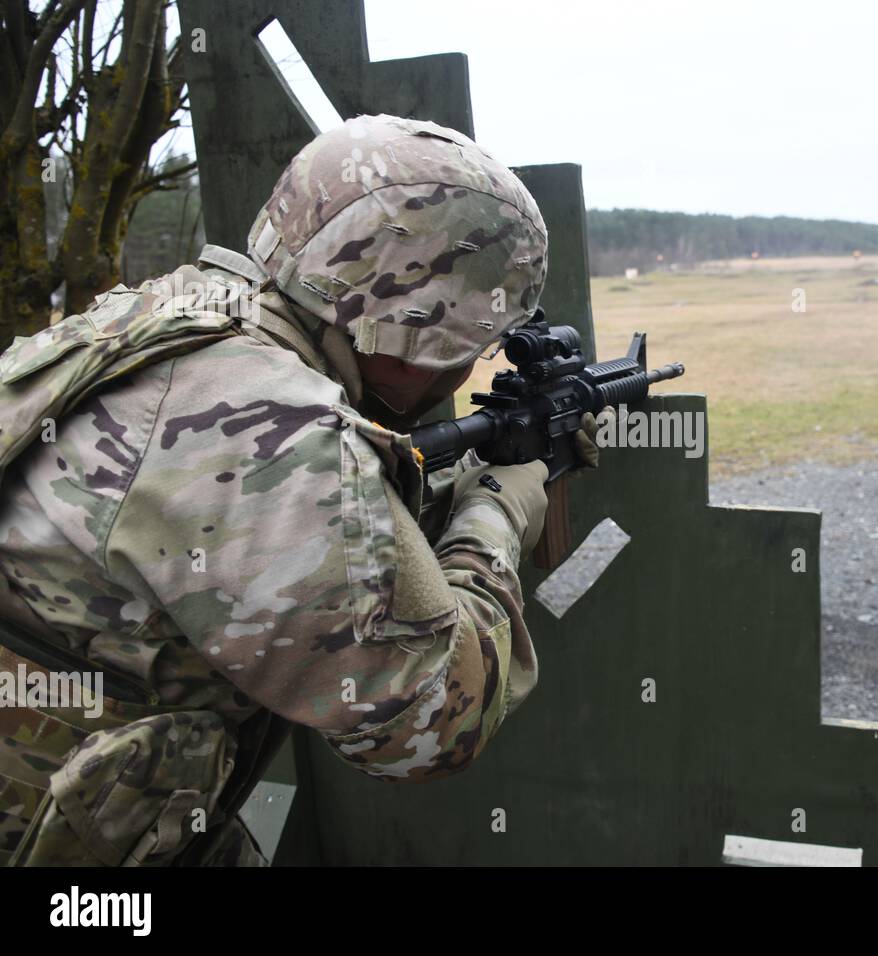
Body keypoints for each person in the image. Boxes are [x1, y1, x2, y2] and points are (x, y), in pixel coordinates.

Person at [0, 114, 597, 865]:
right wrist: (496, 515)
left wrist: (433, 492)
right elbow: (433, 723)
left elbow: (255, 545)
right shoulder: (273, 429)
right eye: (470, 347)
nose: (467, 373)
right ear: (414, 335)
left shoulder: (176, 313)